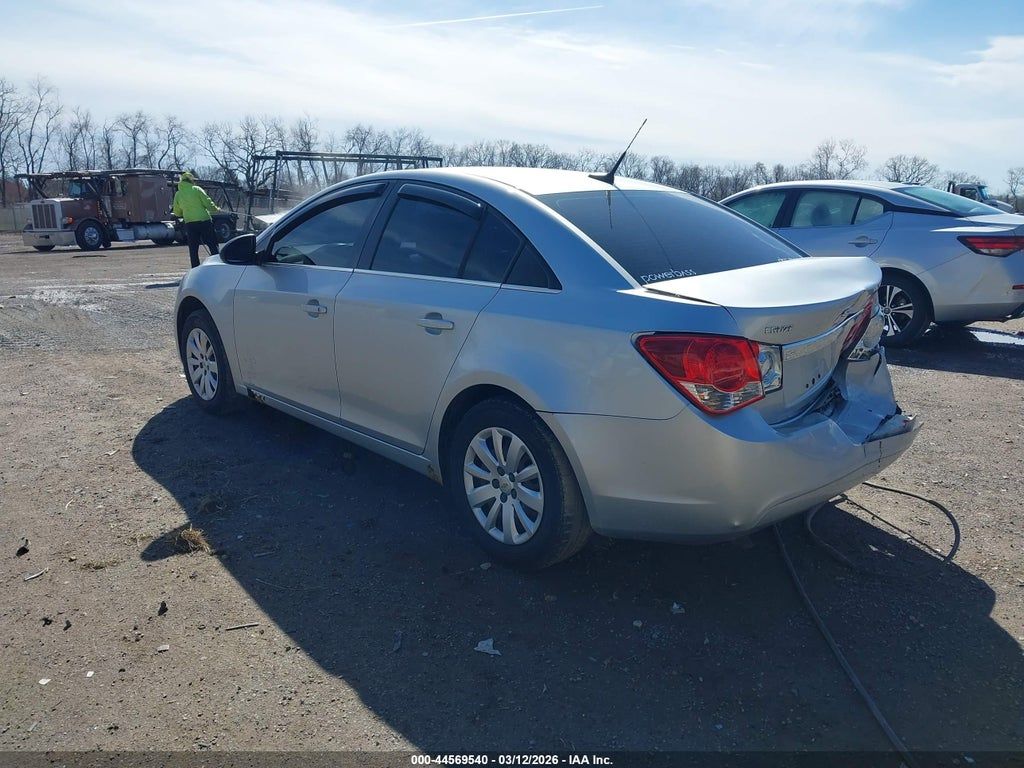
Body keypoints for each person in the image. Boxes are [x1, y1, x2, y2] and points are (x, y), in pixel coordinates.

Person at [172, 171, 221, 268]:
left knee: (193, 248)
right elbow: (207, 202)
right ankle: (217, 264)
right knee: (212, 244)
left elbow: (177, 212)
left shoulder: (178, 194)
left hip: (190, 223)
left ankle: (195, 267)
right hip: (204, 221)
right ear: (191, 181)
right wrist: (216, 209)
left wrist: (184, 213)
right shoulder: (197, 189)